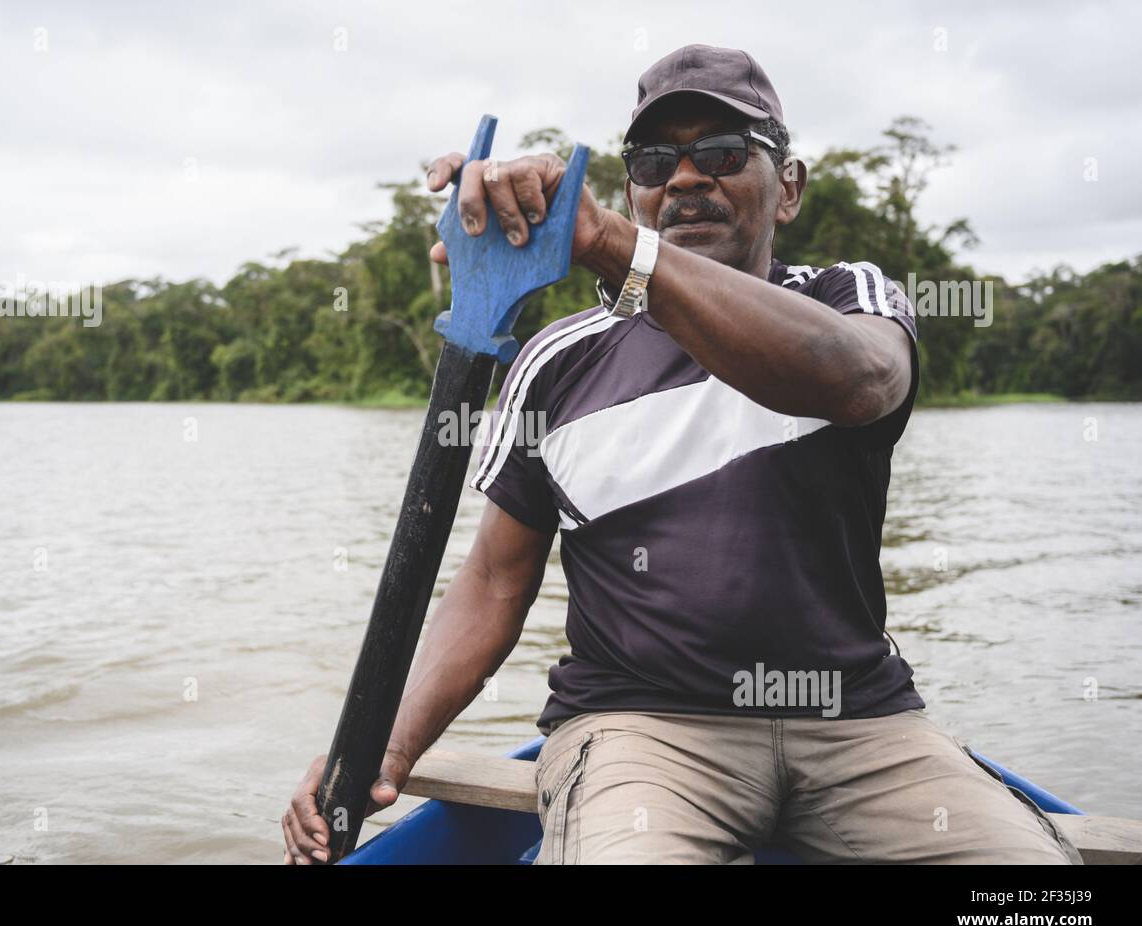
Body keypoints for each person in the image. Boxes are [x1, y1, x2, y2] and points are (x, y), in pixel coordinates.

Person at [283, 44, 1081, 864]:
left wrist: (614, 246)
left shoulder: (848, 301)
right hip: (642, 730)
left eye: (723, 153)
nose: (686, 178)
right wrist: (378, 743)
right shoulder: (558, 362)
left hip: (863, 727)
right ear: (634, 187)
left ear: (790, 188)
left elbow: (858, 382)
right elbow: (491, 583)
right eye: (656, 160)